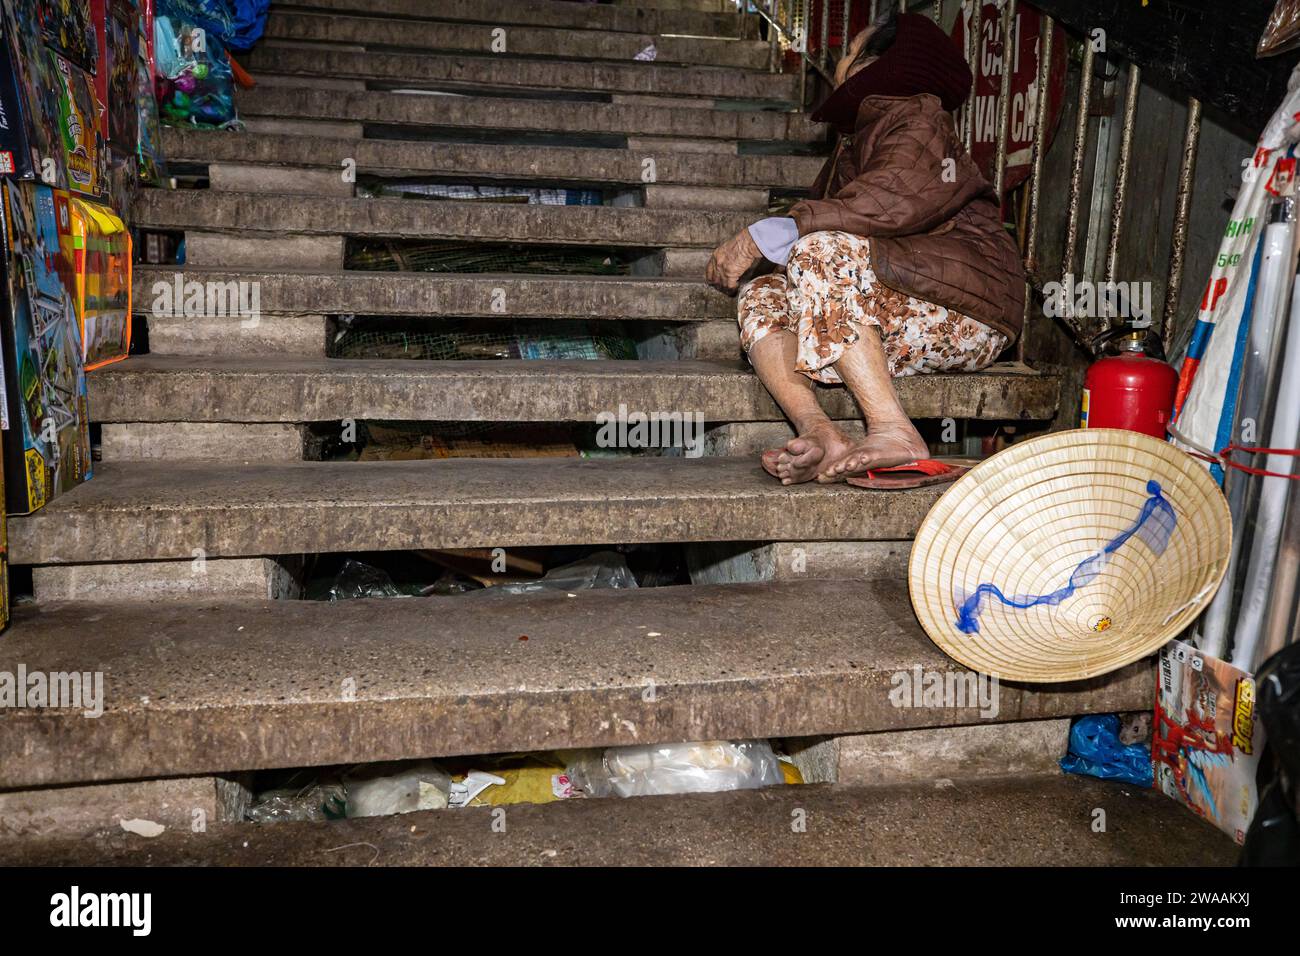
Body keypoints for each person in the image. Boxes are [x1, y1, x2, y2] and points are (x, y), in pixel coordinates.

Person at [706, 11, 1025, 485]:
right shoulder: (856, 137)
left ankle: (895, 430)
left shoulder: (919, 116)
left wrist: (762, 234)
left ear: (873, 63)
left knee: (819, 249)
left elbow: (889, 202)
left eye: (851, 48)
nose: (840, 57)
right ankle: (821, 434)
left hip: (969, 308)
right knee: (762, 294)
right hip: (906, 305)